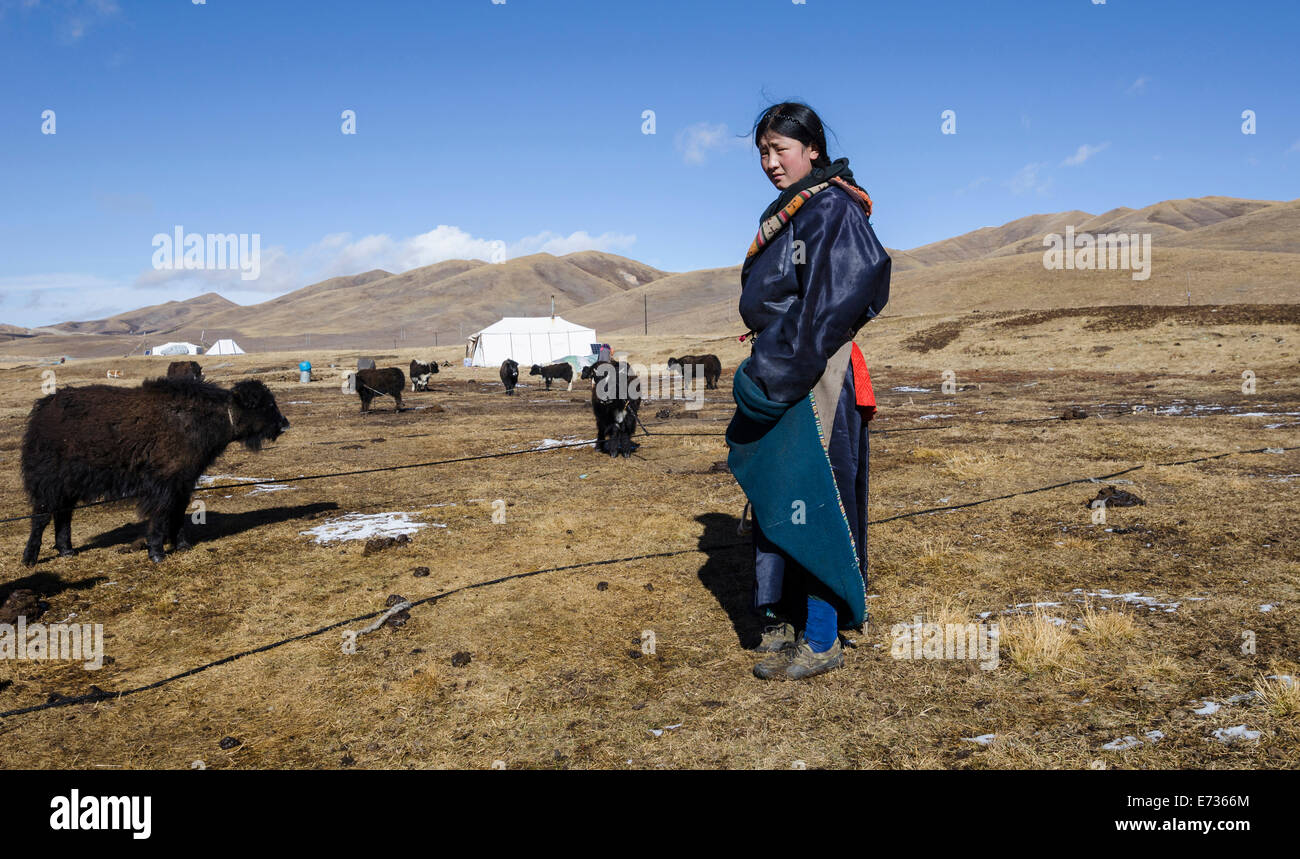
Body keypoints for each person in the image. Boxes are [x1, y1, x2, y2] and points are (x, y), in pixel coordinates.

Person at [725, 102, 891, 681]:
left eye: (781, 149)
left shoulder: (832, 207)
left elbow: (835, 301)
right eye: (763, 152)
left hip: (812, 367)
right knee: (781, 489)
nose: (771, 162)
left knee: (817, 494)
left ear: (812, 149)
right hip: (786, 359)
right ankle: (787, 621)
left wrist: (775, 372)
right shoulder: (796, 209)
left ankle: (822, 638)